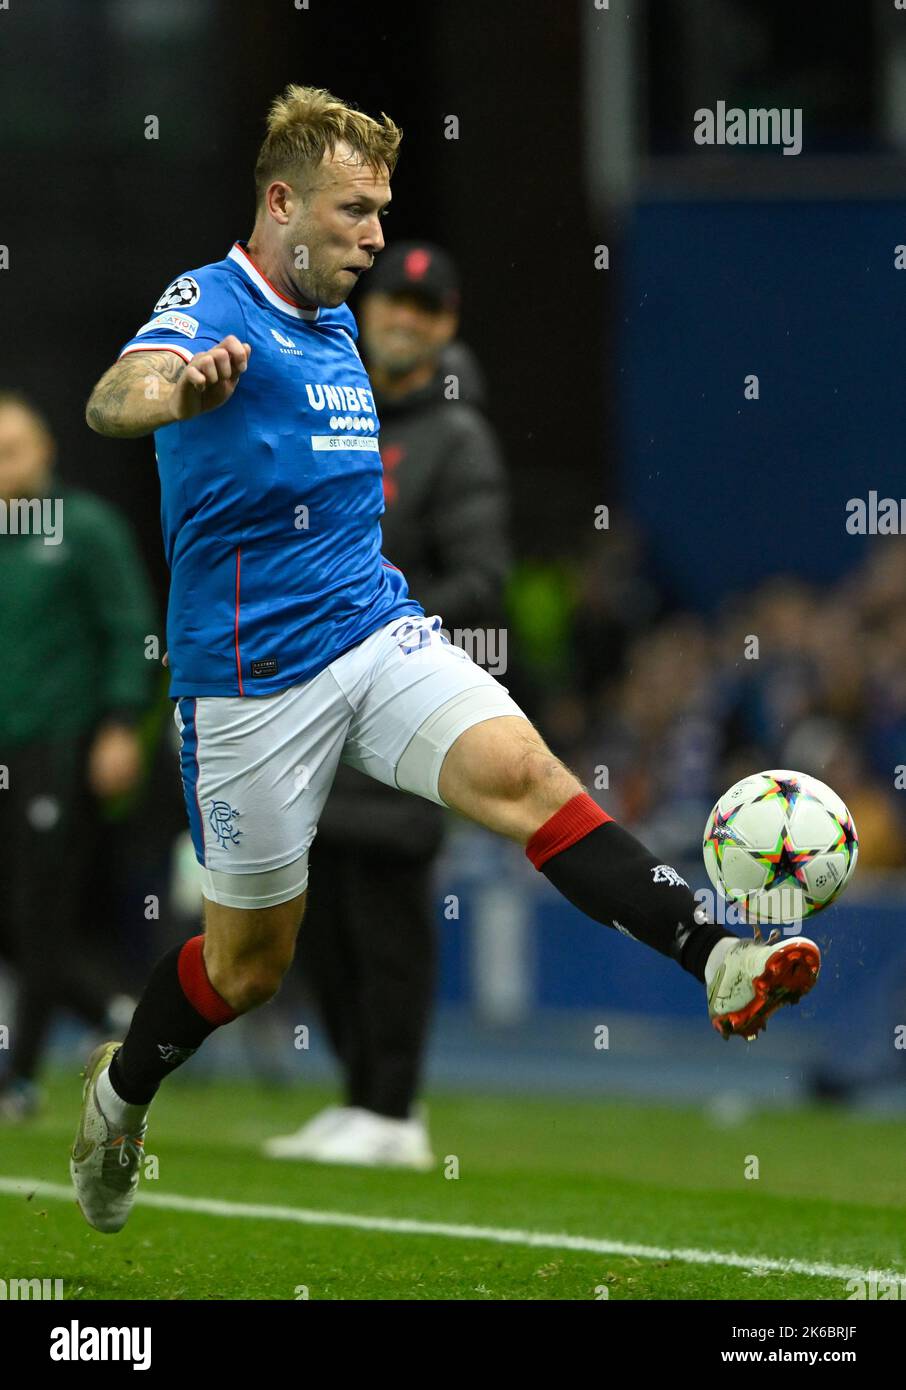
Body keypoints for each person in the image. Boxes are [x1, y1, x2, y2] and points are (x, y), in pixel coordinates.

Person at [75, 83, 820, 1235]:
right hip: (245, 683)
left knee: (532, 779)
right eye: (354, 211)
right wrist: (176, 384)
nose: (375, 237)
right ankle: (121, 1093)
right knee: (247, 967)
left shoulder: (334, 323)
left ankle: (718, 956)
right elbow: (113, 395)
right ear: (281, 202)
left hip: (373, 632)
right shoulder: (208, 299)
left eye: (382, 212)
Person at [263, 243, 510, 1167]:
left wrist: (377, 620)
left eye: (424, 306)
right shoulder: (336, 406)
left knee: (388, 914)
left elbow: (483, 582)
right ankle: (359, 1096)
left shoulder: (458, 436)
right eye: (392, 300)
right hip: (309, 698)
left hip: (397, 698)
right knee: (318, 915)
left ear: (446, 325)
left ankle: (396, 1112)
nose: (402, 316)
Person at [0, 391, 153, 1119]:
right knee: (14, 917)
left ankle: (18, 1079)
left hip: (58, 747)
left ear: (46, 450)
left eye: (11, 449)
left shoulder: (85, 528)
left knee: (40, 912)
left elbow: (132, 630)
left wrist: (120, 724)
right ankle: (110, 1008)